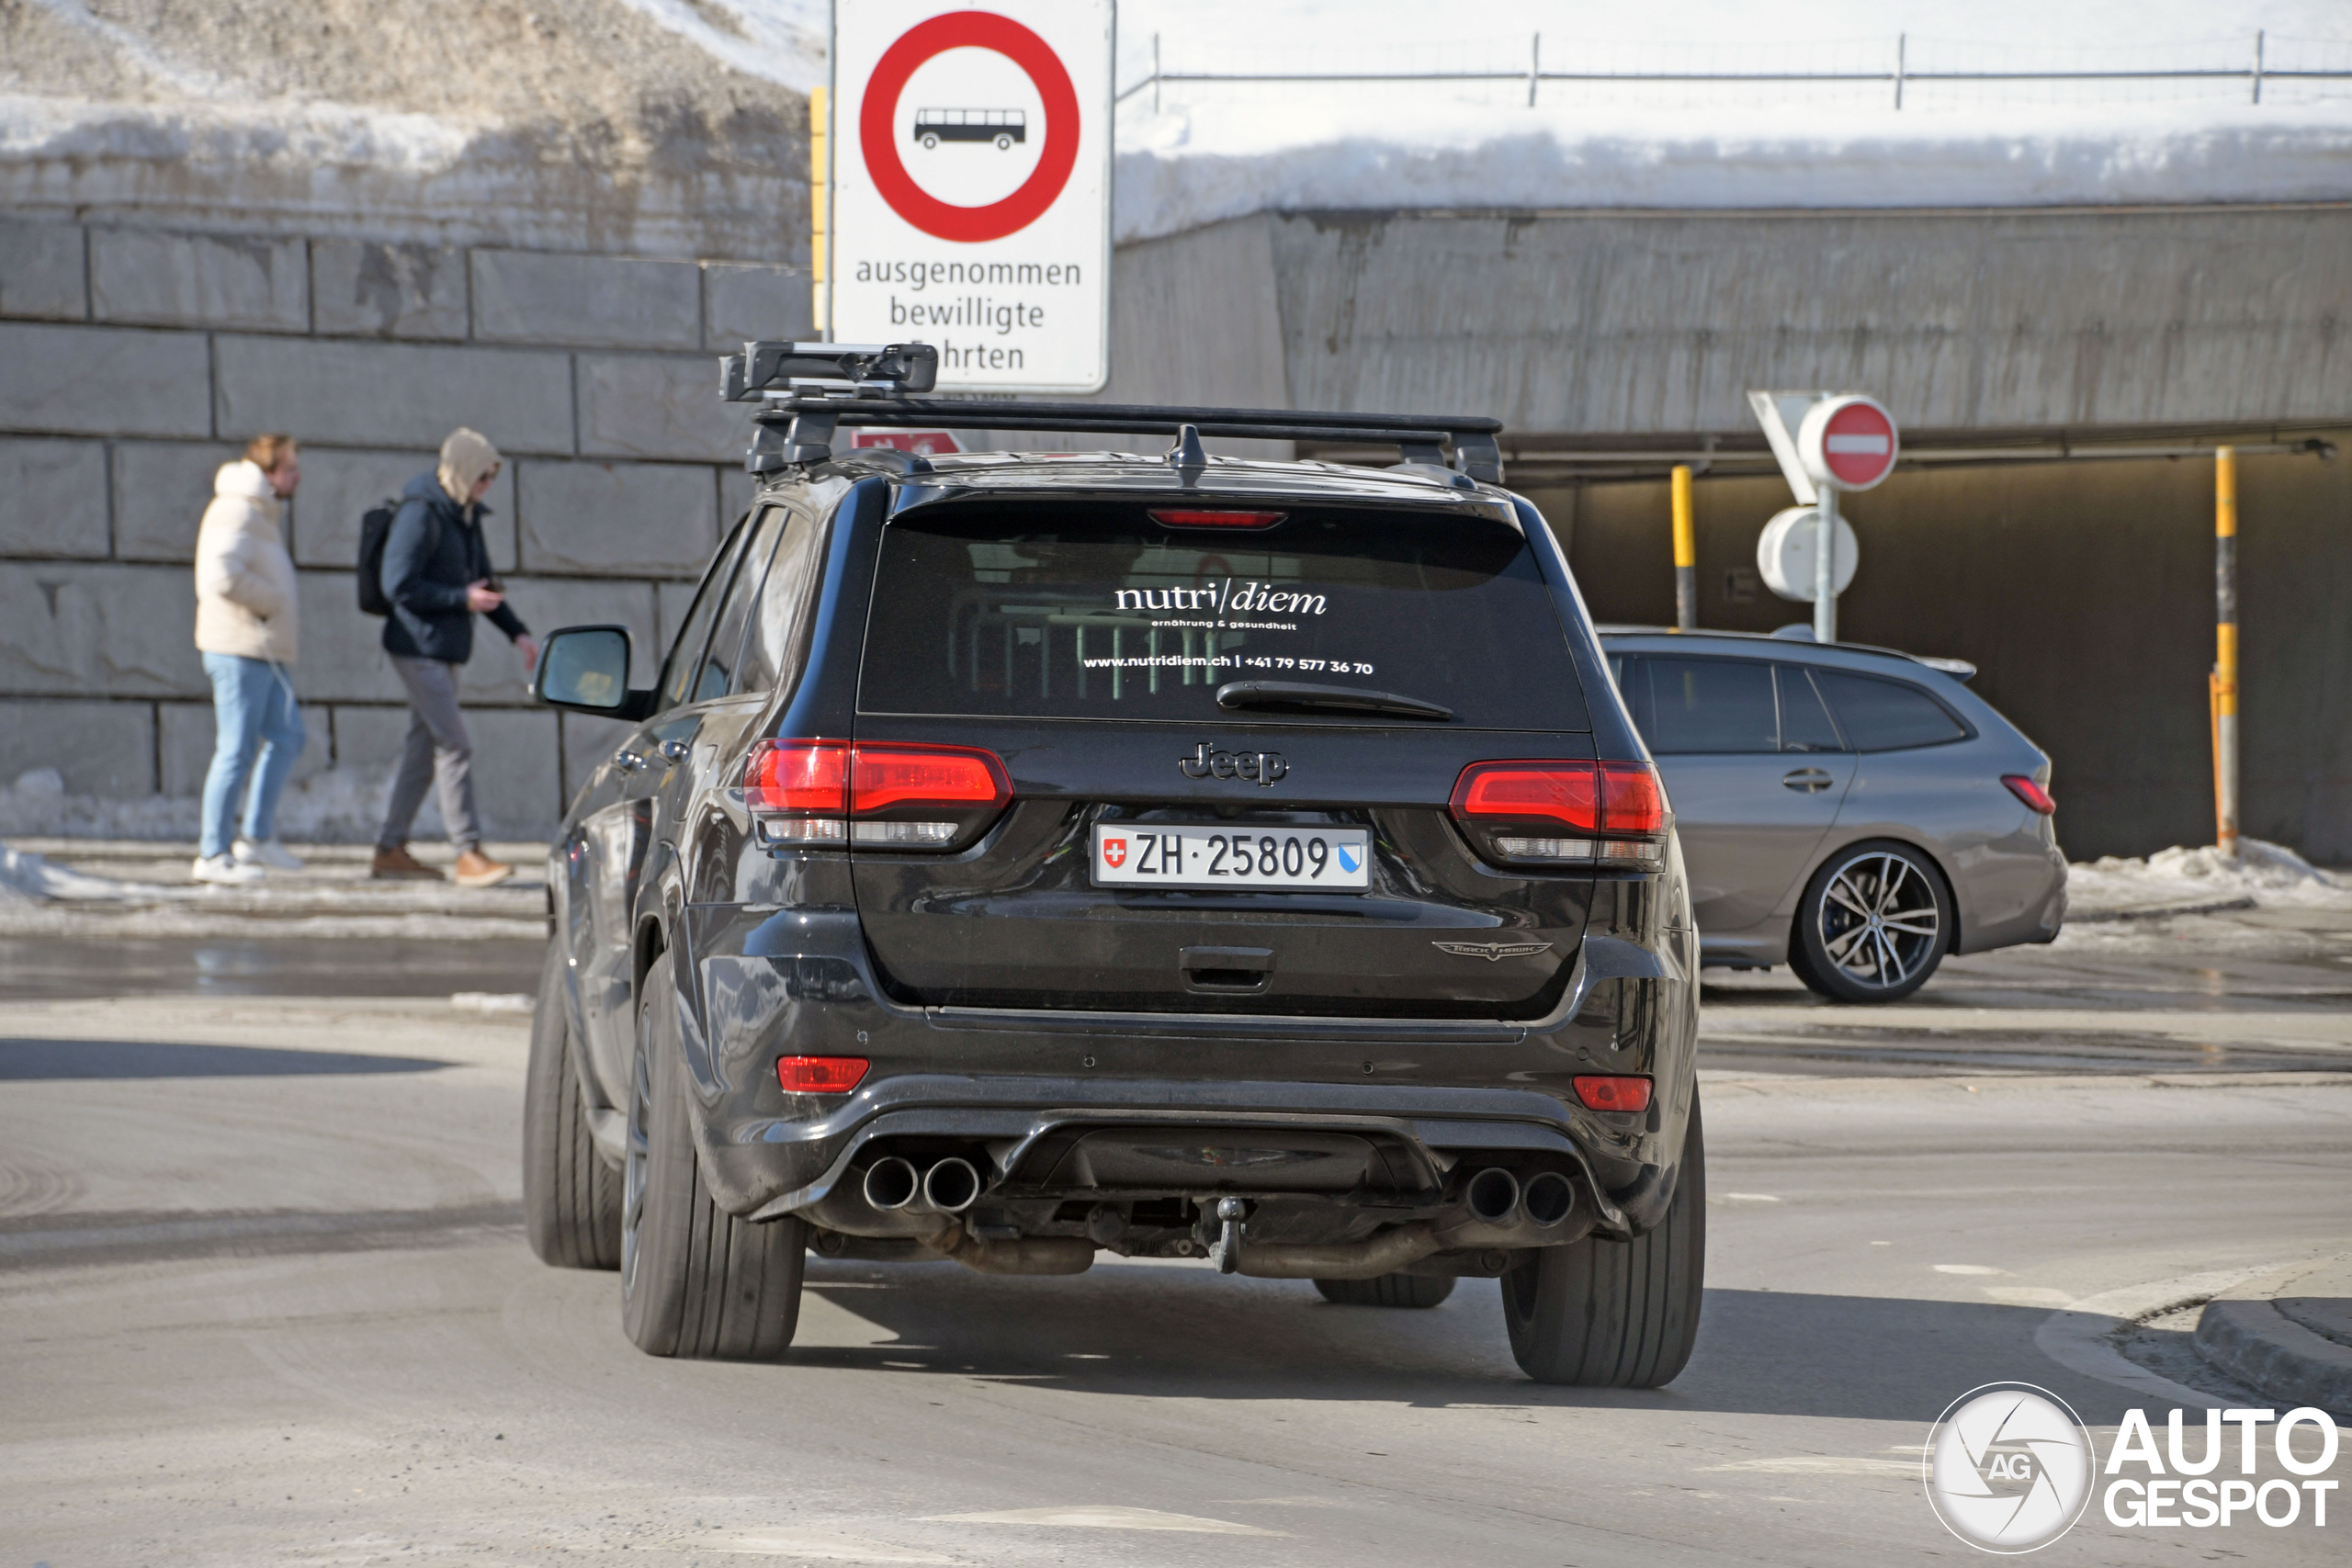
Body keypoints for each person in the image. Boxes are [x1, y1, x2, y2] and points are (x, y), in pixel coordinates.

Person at [372, 428, 538, 887]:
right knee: (455, 744)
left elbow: (483, 585)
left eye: (491, 477)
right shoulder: (420, 513)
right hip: (416, 645)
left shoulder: (464, 513)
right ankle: (468, 851)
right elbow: (397, 585)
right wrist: (458, 598)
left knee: (423, 749)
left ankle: (390, 848)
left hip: (442, 649)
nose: (487, 484)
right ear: (464, 470)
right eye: (483, 476)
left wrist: (519, 635)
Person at [191, 434, 306, 886]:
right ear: (269, 470)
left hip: (262, 651)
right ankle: (212, 853)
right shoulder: (237, 508)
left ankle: (256, 838)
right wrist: (270, 601)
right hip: (239, 648)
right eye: (291, 467)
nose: (298, 476)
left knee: (288, 734)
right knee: (235, 749)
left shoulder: (259, 512)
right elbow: (220, 576)